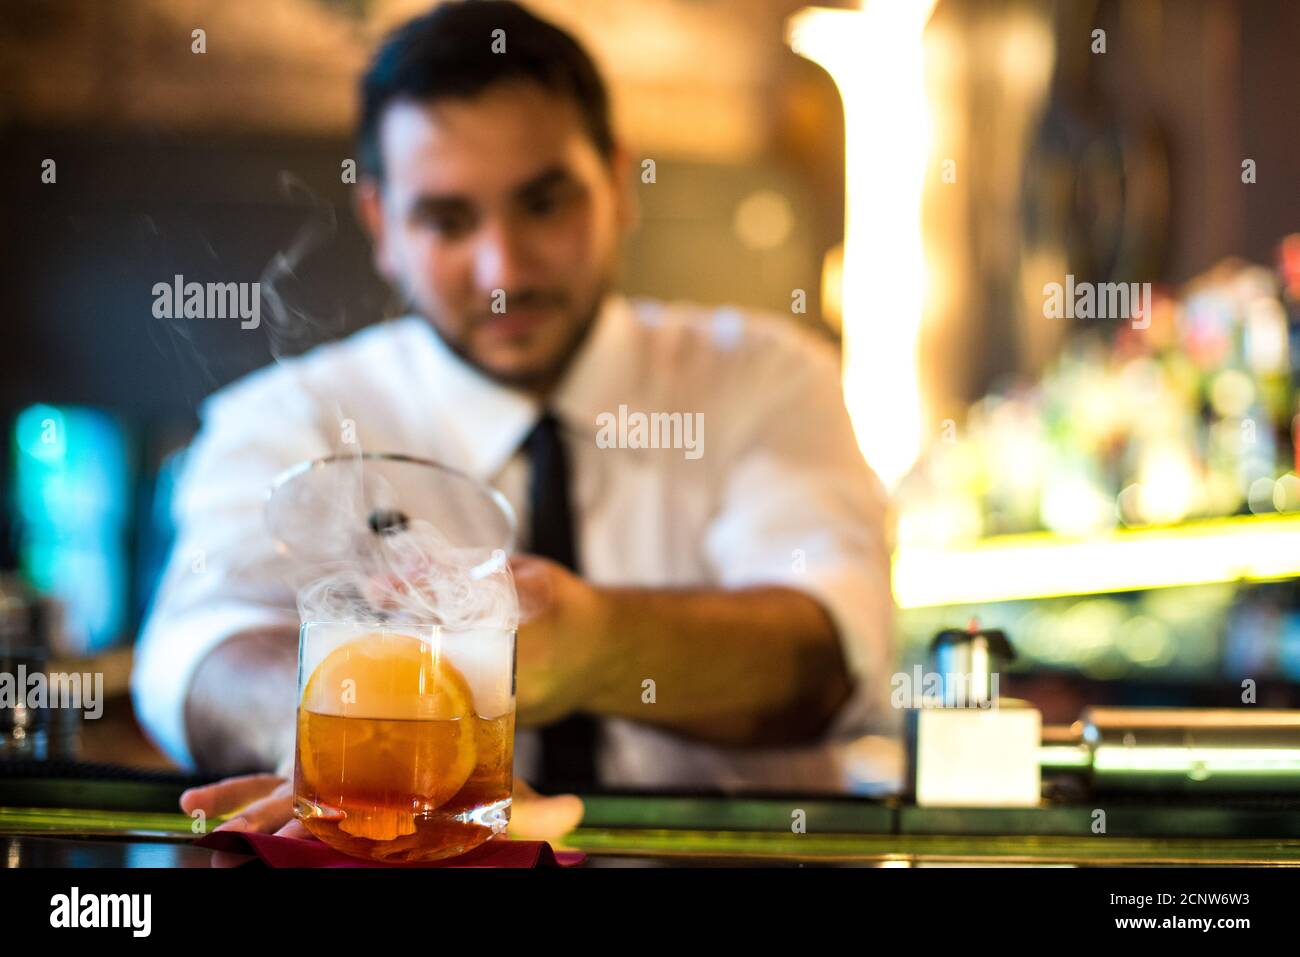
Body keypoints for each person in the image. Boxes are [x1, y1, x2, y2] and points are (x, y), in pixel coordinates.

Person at [133, 0, 895, 840]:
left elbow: (832, 654)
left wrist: (599, 643)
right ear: (383, 225)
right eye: (449, 220)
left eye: (544, 203)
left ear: (617, 184)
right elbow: (197, 653)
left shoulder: (766, 376)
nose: (503, 268)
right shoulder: (288, 418)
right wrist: (359, 722)